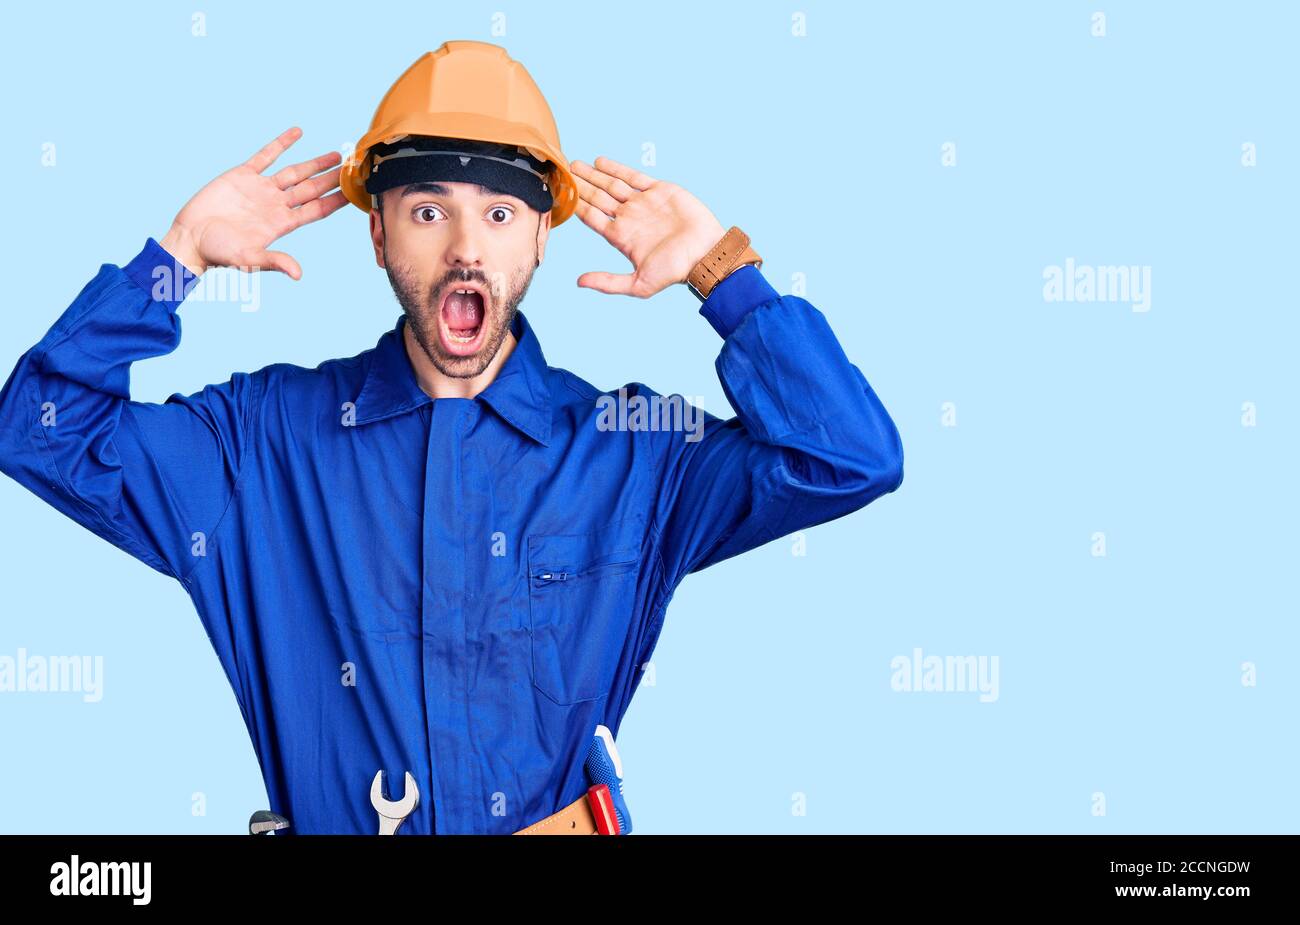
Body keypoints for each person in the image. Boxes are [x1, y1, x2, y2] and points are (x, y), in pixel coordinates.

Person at [0, 41, 903, 834]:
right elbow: (43, 433)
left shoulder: (636, 453)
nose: (467, 248)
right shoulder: (259, 444)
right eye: (429, 210)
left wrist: (727, 278)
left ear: (542, 237)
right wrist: (177, 258)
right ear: (379, 234)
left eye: (501, 214)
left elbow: (849, 458)